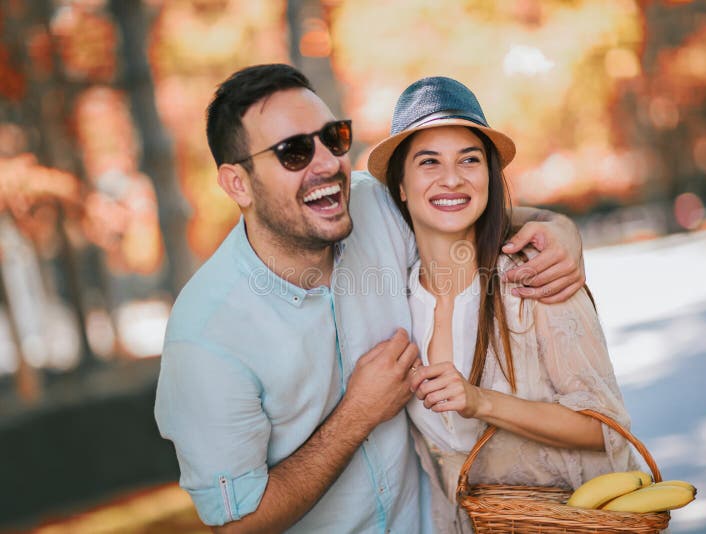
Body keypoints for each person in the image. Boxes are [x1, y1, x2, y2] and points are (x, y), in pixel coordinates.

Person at [154, 64, 585, 533]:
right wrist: (357, 415)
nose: (327, 163)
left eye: (332, 138)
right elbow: (237, 524)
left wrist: (559, 228)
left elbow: (463, 209)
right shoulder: (204, 338)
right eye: (294, 152)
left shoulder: (374, 206)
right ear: (238, 183)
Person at [367, 76, 638, 533]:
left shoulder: (535, 276)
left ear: (489, 177)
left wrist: (480, 402)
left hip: (575, 524)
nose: (451, 178)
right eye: (428, 162)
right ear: (401, 186)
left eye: (469, 160)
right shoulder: (391, 298)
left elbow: (606, 429)